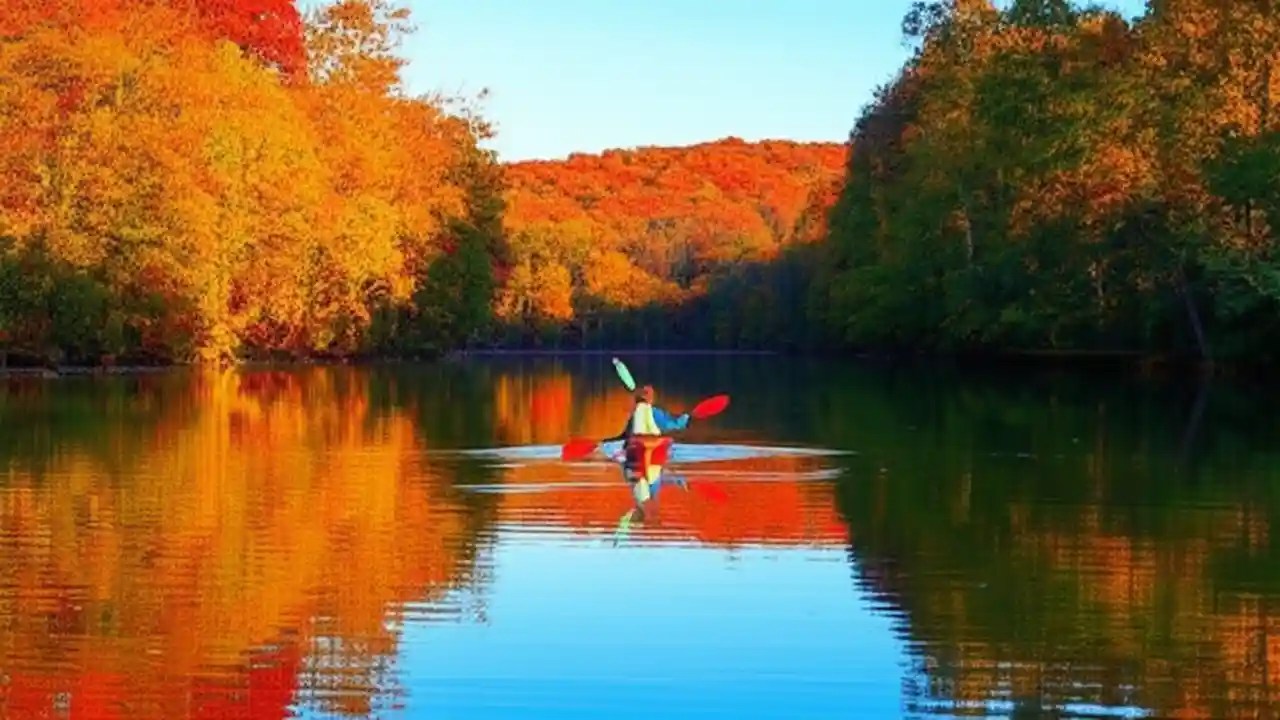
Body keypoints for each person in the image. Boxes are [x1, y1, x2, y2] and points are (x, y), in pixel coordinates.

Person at [604, 385, 690, 509]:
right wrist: (683, 420)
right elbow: (673, 425)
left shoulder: (636, 414)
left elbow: (625, 435)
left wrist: (609, 441)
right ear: (651, 398)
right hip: (653, 446)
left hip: (637, 447)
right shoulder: (655, 413)